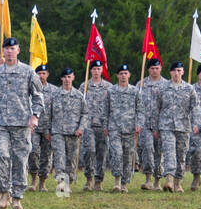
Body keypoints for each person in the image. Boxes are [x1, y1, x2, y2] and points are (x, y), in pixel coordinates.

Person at [0, 37, 44, 209]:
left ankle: (17, 197)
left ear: (18, 50)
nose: (9, 51)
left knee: (20, 160)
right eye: (6, 49)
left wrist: (35, 116)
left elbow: (38, 95)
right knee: (0, 155)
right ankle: (3, 193)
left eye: (12, 48)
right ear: (3, 51)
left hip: (21, 124)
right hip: (0, 123)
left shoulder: (28, 72)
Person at [153, 61, 201, 193]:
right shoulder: (162, 88)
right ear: (170, 73)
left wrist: (196, 124)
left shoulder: (189, 89)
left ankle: (178, 182)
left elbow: (195, 108)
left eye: (179, 71)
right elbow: (156, 109)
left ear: (183, 72)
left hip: (183, 126)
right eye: (174, 71)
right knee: (169, 153)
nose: (176, 73)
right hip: (166, 126)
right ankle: (168, 180)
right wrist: (155, 128)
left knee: (181, 155)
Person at [48, 68, 88, 191]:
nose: (67, 79)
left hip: (73, 133)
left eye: (69, 77)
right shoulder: (54, 95)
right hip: (57, 132)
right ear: (61, 79)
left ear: (73, 78)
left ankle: (68, 183)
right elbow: (48, 114)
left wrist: (81, 128)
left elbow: (85, 114)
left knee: (71, 160)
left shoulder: (79, 95)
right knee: (59, 158)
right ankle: (61, 183)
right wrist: (47, 131)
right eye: (64, 77)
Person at [107, 64, 140, 193]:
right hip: (114, 128)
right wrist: (106, 126)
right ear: (117, 76)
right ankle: (117, 181)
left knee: (127, 156)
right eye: (121, 73)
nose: (123, 76)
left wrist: (139, 124)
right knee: (117, 154)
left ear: (129, 75)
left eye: (125, 73)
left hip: (130, 129)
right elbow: (106, 110)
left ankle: (124, 184)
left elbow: (140, 109)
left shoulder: (135, 91)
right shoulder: (111, 91)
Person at [138, 58, 168, 190]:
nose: (154, 71)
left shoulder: (167, 85)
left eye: (157, 68)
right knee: (147, 150)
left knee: (159, 152)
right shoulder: (141, 84)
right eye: (152, 68)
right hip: (145, 124)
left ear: (160, 68)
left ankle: (158, 180)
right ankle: (148, 179)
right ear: (148, 69)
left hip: (162, 125)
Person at [28, 64, 59, 191]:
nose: (41, 76)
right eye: (39, 73)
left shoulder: (54, 90)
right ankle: (34, 179)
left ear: (48, 74)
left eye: (43, 73)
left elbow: (56, 112)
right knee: (33, 152)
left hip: (48, 128)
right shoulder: (30, 88)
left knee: (46, 155)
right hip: (33, 128)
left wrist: (51, 129)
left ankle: (43, 181)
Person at [82, 60, 111, 191]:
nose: (96, 71)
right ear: (91, 70)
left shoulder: (109, 87)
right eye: (94, 69)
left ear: (102, 70)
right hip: (88, 125)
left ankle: (98, 180)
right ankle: (89, 179)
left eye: (98, 69)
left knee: (101, 154)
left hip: (103, 125)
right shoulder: (84, 86)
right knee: (90, 151)